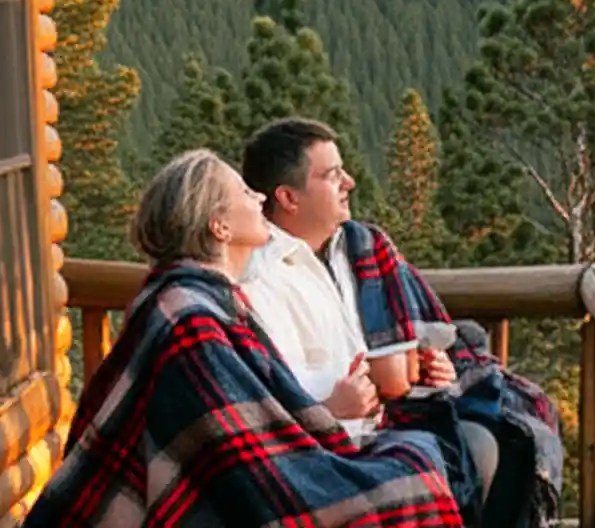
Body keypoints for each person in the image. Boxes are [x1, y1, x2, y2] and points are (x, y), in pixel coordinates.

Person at [23, 149, 465, 527]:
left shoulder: (199, 298)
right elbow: (245, 465)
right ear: (220, 226)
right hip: (198, 503)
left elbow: (252, 420)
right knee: (414, 474)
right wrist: (332, 426)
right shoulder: (189, 320)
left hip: (214, 488)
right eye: (245, 193)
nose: (259, 197)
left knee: (413, 454)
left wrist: (327, 420)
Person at [240, 118, 565, 528]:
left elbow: (416, 333)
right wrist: (325, 410)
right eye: (332, 175)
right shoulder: (259, 274)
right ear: (288, 197)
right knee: (468, 449)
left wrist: (437, 367)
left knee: (513, 434)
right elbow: (263, 388)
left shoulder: (362, 247)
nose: (350, 182)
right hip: (328, 440)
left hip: (393, 411)